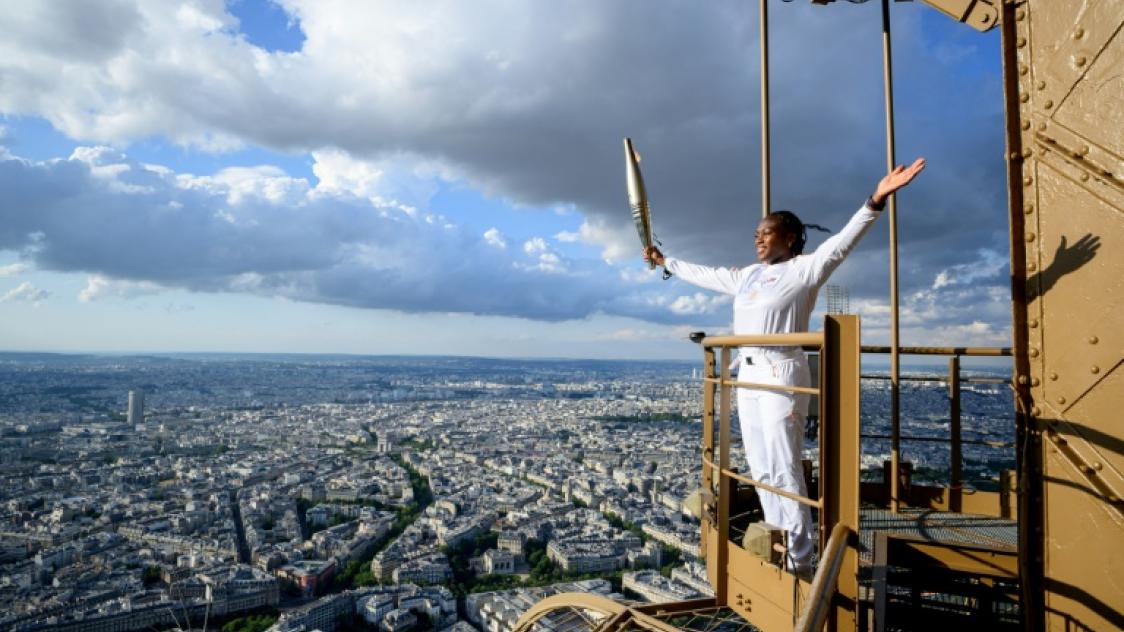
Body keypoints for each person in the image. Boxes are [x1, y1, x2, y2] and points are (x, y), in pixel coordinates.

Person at [643, 158, 925, 574]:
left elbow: (842, 243)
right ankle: (779, 538)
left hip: (781, 371)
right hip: (748, 374)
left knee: (784, 464)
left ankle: (800, 557)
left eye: (766, 232)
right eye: (756, 233)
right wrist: (666, 262)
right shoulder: (748, 276)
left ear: (789, 238)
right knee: (761, 465)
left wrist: (875, 200)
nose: (757, 238)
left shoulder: (804, 270)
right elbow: (708, 274)